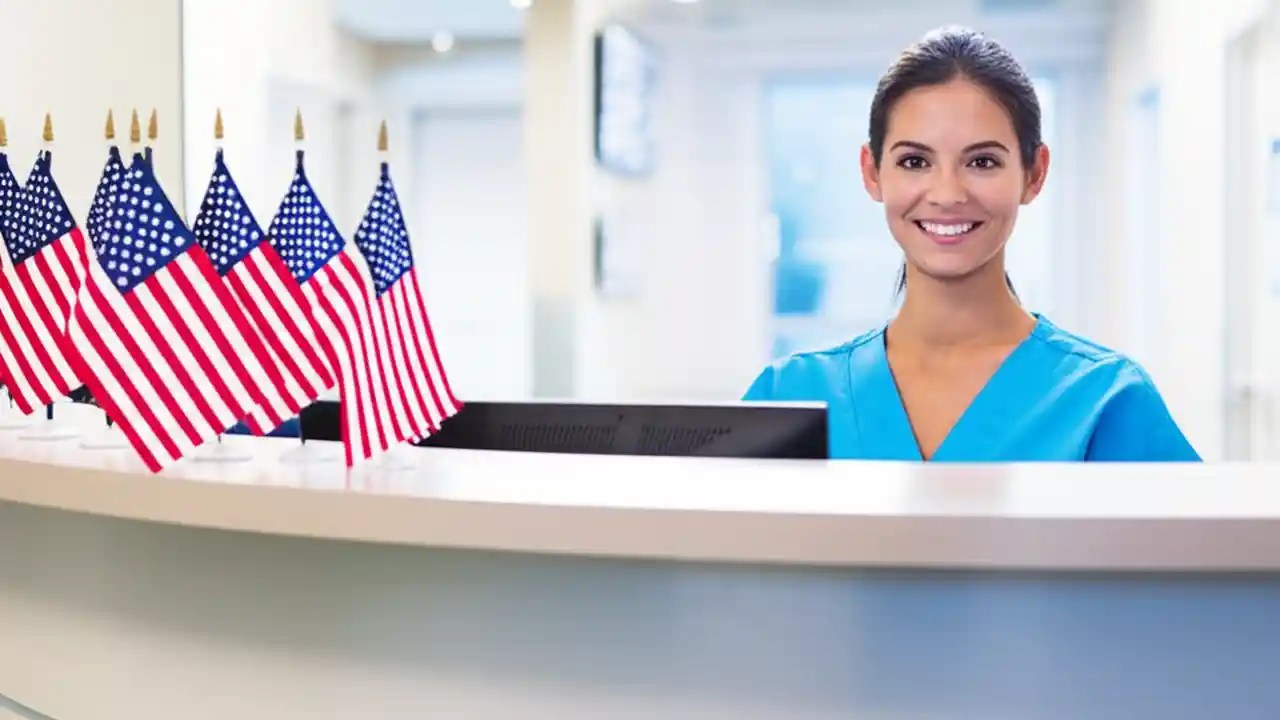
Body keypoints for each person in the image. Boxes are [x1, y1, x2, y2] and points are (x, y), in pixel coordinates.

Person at [743, 25, 1199, 462]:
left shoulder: (1105, 401)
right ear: (872, 171)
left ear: (1034, 173)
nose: (947, 194)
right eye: (915, 160)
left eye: (982, 161)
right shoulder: (792, 394)